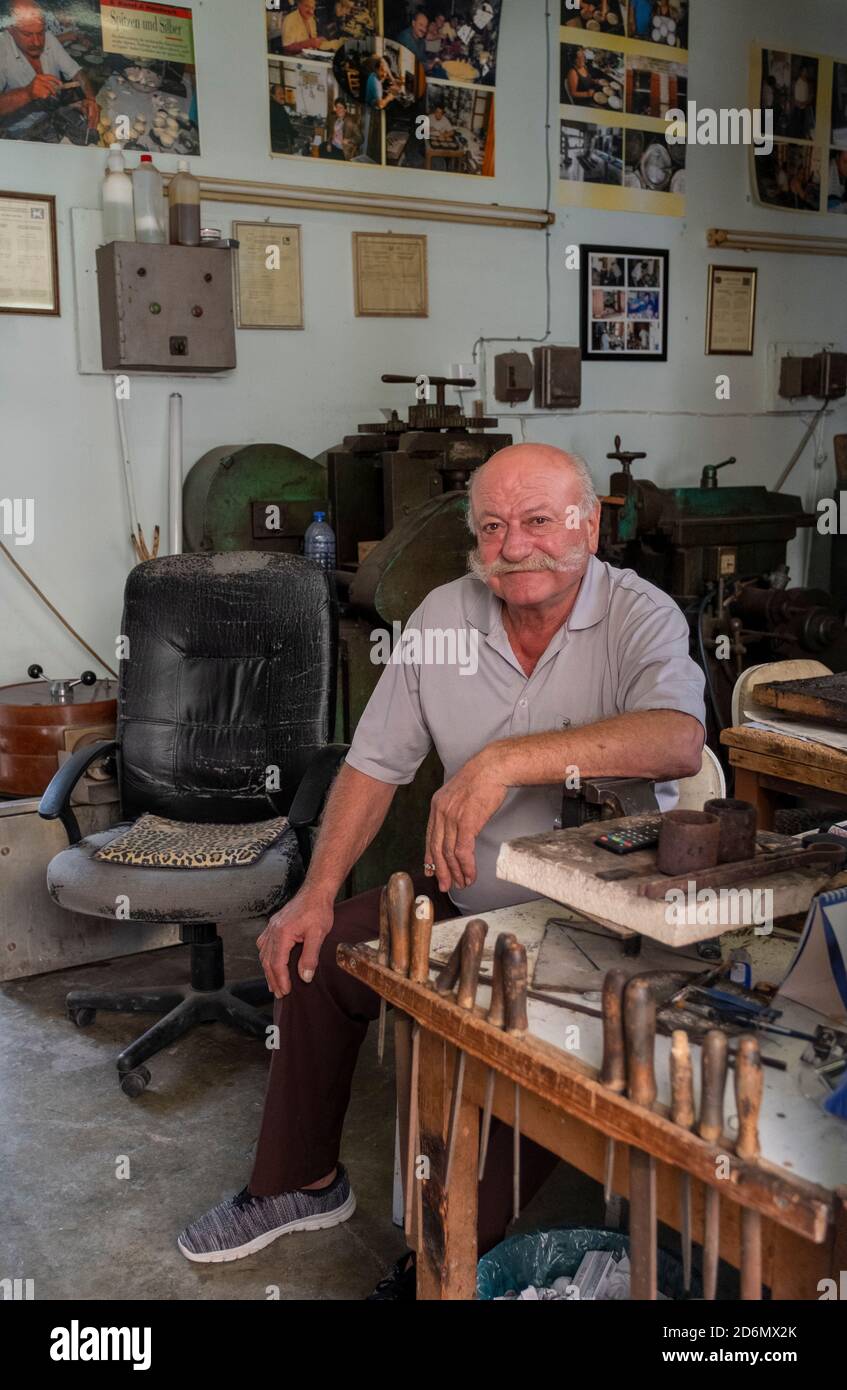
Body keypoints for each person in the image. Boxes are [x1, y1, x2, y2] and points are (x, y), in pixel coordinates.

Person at [177, 444, 706, 1296]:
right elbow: (374, 765)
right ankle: (298, 1183)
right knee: (317, 955)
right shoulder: (440, 616)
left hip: (594, 926)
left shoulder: (638, 617)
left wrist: (500, 761)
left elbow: (677, 737)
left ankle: (439, 1255)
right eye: (492, 526)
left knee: (502, 1089)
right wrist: (314, 893)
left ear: (588, 525)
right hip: (464, 891)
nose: (514, 545)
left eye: (538, 521)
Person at [0, 0, 99, 134]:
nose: (37, 42)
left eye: (40, 33)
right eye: (27, 34)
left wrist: (90, 99)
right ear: (10, 28)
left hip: (54, 118)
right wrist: (27, 93)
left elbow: (77, 73)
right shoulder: (2, 49)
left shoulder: (49, 39)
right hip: (19, 132)